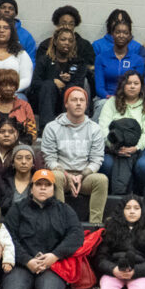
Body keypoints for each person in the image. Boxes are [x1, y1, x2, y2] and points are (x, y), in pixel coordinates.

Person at [40, 86, 109, 223]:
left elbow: (97, 159)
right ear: (66, 104)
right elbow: (50, 158)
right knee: (55, 176)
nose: (78, 103)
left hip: (84, 176)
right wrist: (67, 175)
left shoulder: (94, 129)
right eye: (74, 100)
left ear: (86, 104)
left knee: (102, 180)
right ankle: (60, 222)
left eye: (82, 100)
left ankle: (95, 225)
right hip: (62, 175)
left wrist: (81, 175)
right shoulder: (52, 127)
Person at [97, 71, 145, 197]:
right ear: (123, 85)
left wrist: (136, 147)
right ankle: (109, 197)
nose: (132, 86)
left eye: (136, 83)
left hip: (140, 148)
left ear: (141, 86)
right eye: (129, 83)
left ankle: (144, 197)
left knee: (144, 166)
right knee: (106, 164)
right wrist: (113, 146)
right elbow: (103, 127)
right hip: (113, 147)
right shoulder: (111, 102)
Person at [31, 26, 95, 126]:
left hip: (67, 101)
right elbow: (35, 83)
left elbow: (79, 84)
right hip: (47, 100)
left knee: (72, 88)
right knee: (48, 85)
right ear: (55, 42)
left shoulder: (79, 62)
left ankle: (69, 125)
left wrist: (68, 81)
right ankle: (47, 127)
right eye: (63, 39)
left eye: (70, 41)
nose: (67, 43)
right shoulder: (44, 60)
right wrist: (53, 81)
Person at [91, 11, 145, 101]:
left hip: (130, 99)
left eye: (125, 33)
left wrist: (125, 100)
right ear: (112, 35)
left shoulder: (138, 60)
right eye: (118, 32)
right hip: (105, 99)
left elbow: (137, 86)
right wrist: (110, 98)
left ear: (130, 36)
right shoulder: (101, 58)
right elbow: (99, 88)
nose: (121, 35)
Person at [0, 143, 42, 210]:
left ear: (33, 163)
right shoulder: (3, 180)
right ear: (13, 162)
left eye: (28, 158)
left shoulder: (40, 181)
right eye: (19, 158)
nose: (24, 162)